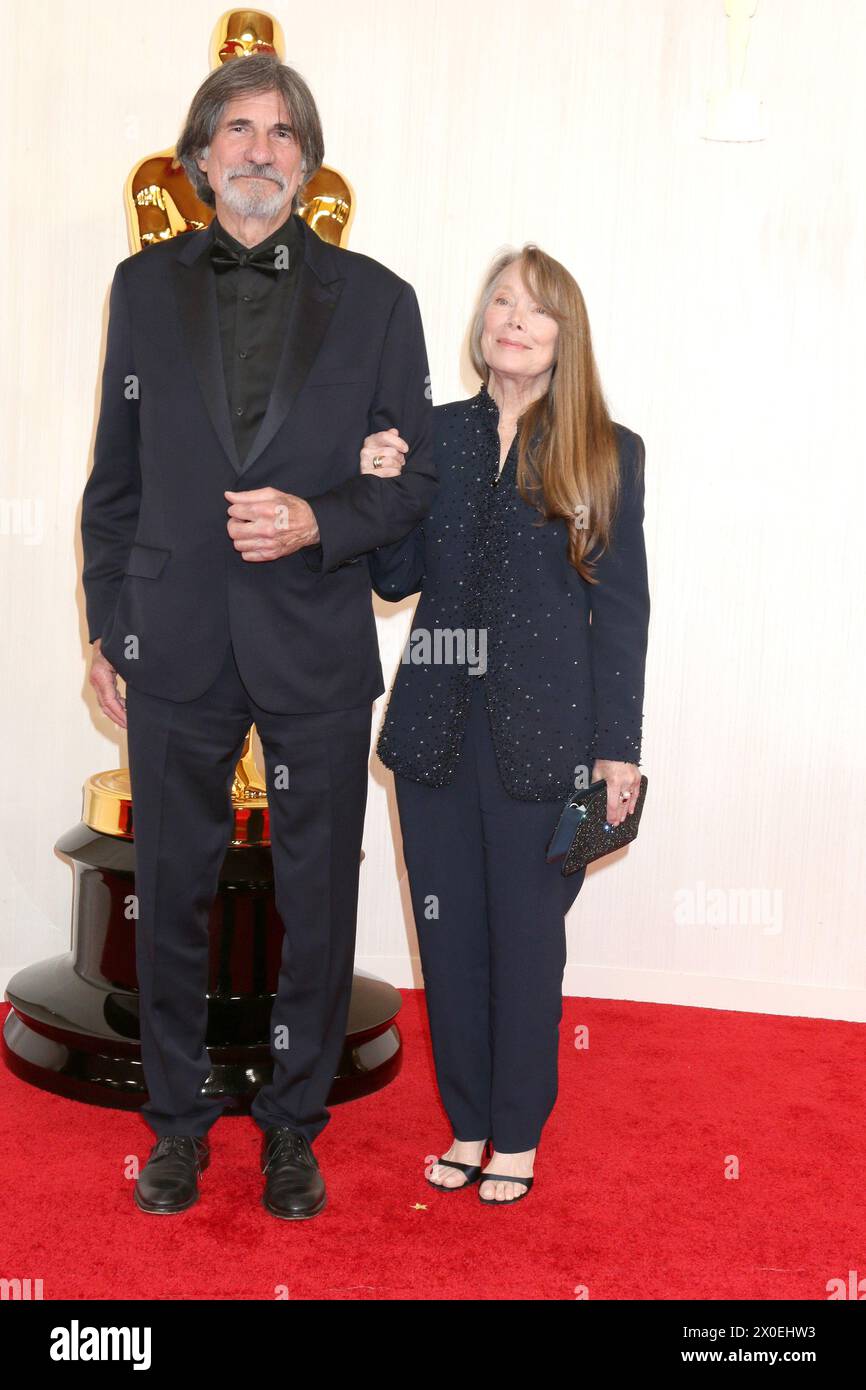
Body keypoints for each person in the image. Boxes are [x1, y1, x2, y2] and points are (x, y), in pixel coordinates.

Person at [81, 53, 436, 1218]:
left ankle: (293, 1125)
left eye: (282, 132)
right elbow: (115, 482)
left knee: (315, 900)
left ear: (307, 161)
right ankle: (176, 1124)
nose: (258, 149)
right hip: (173, 638)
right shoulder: (140, 290)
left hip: (314, 644)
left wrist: (316, 519)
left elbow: (407, 485)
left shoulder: (379, 300)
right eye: (237, 128)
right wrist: (105, 625)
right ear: (198, 161)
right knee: (171, 890)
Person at [365, 244, 650, 1204]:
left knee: (527, 941)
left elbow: (622, 612)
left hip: (547, 737)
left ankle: (519, 1133)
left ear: (565, 336)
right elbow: (393, 577)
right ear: (480, 327)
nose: (512, 318)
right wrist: (381, 484)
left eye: (535, 308)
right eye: (499, 302)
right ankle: (470, 1123)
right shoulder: (436, 437)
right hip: (433, 731)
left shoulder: (606, 452)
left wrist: (619, 750)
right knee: (446, 938)